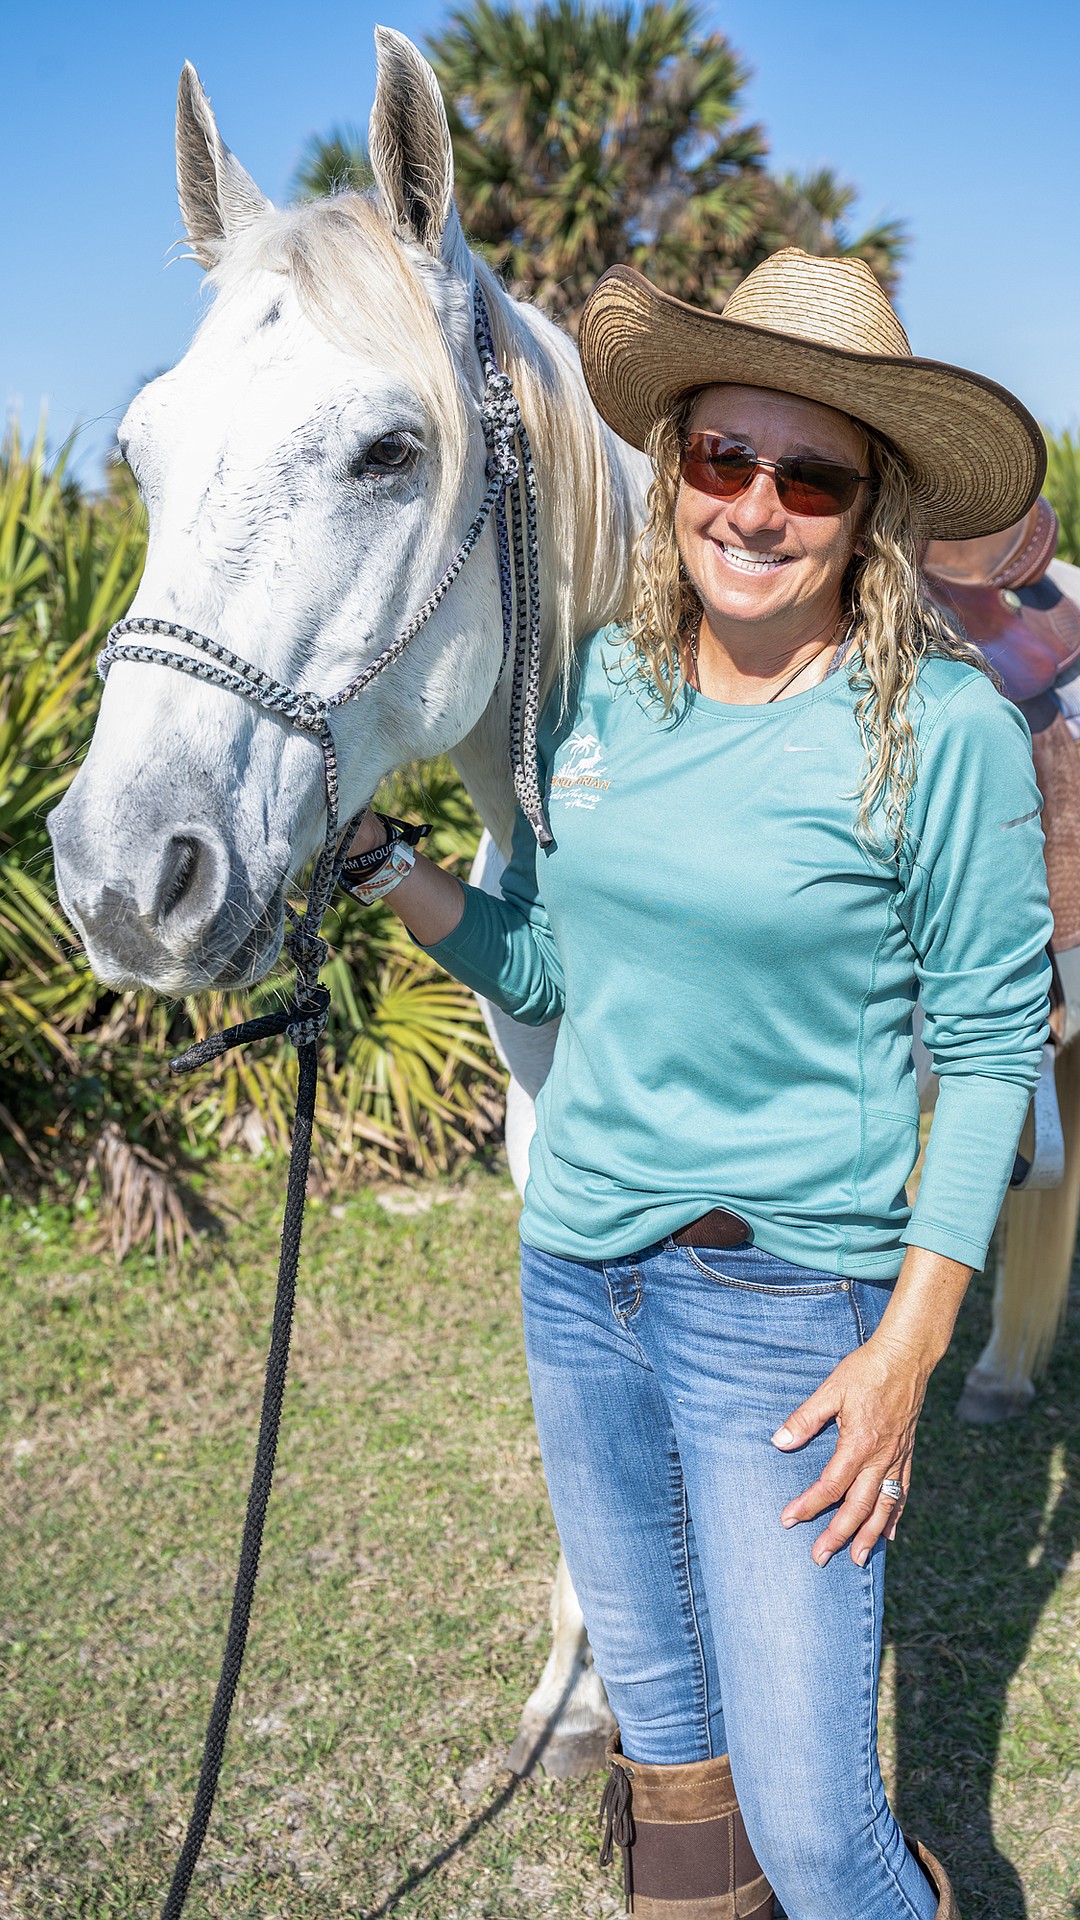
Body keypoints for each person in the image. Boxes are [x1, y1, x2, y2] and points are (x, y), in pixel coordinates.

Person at [341, 248, 1052, 1920]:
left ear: (868, 507)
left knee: (813, 1840)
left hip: (789, 1321)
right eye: (723, 459)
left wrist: (906, 1353)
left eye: (809, 474)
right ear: (675, 471)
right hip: (578, 1285)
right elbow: (558, 971)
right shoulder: (604, 694)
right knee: (677, 1796)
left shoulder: (939, 731)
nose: (754, 505)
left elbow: (995, 1046)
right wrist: (385, 867)